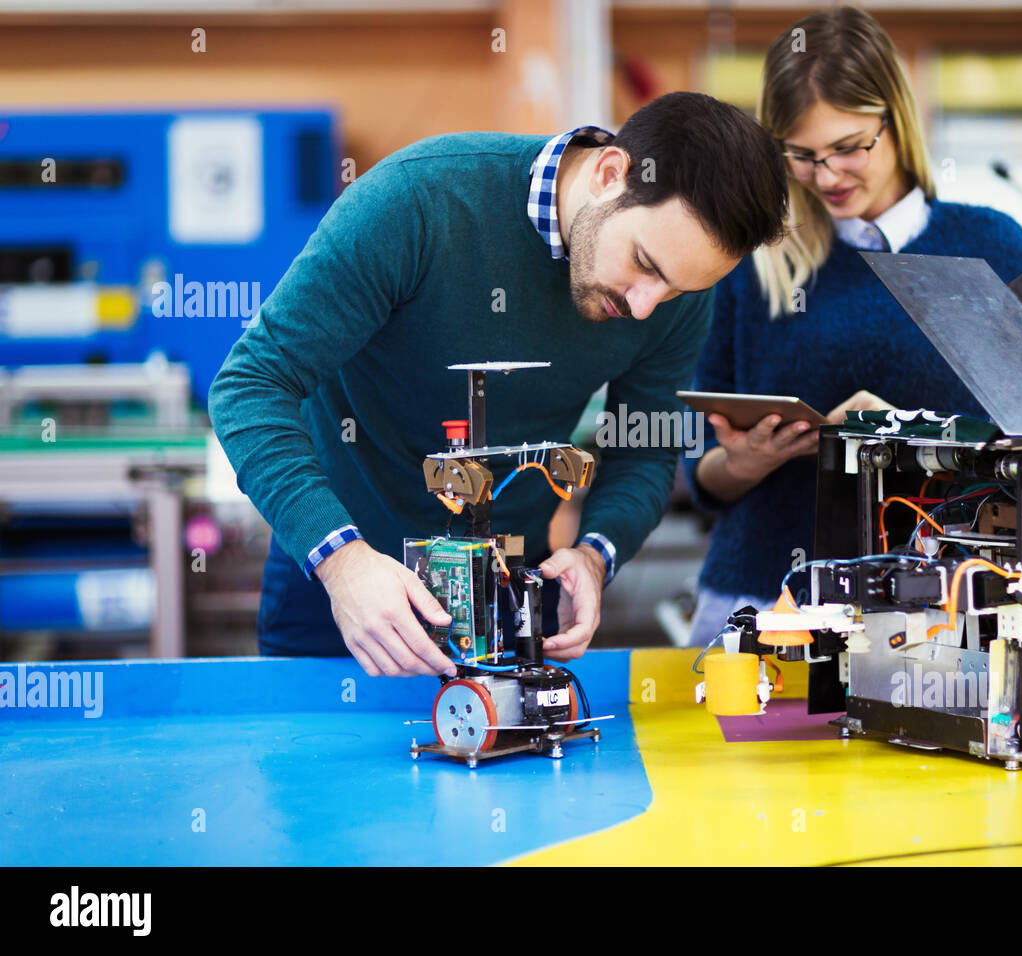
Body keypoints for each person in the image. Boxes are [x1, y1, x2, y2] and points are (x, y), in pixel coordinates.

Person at [209, 91, 788, 677]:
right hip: (336, 589)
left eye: (676, 291)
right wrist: (341, 562)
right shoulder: (418, 201)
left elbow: (643, 449)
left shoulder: (676, 286)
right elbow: (249, 385)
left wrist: (594, 556)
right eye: (646, 265)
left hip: (507, 601)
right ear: (611, 174)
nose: (646, 308)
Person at [684, 7, 1022, 645]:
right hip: (768, 602)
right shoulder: (753, 262)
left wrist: (910, 436)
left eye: (848, 148)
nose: (827, 177)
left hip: (951, 604)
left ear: (896, 119)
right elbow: (695, 466)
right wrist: (743, 463)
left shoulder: (992, 246)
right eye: (801, 155)